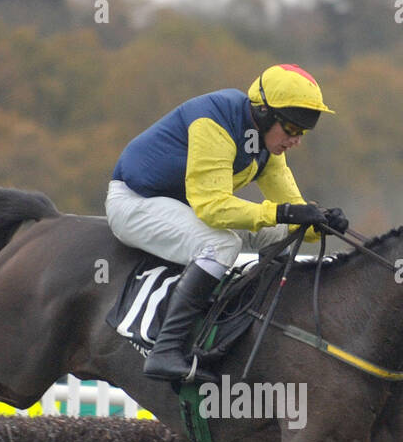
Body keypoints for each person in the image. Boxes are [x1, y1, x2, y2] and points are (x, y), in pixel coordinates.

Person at [106, 63, 348, 383]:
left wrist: (319, 221)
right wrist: (285, 213)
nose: (296, 141)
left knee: (278, 233)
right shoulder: (215, 119)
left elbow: (291, 212)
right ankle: (165, 351)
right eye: (291, 129)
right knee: (222, 243)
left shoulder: (265, 144)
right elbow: (212, 206)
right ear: (263, 113)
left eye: (302, 132)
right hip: (134, 202)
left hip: (180, 208)